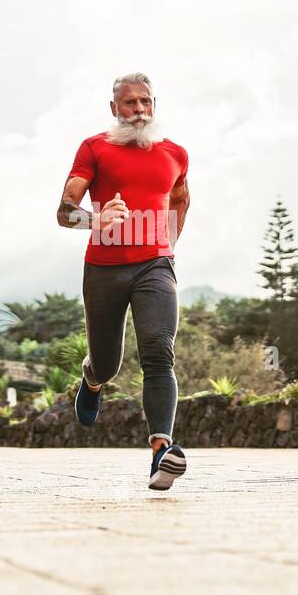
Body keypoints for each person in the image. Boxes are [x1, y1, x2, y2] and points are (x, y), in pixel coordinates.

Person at [56, 72, 192, 489]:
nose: (139, 111)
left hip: (155, 265)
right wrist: (96, 219)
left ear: (155, 105)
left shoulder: (175, 153)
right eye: (130, 103)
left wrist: (167, 244)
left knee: (157, 350)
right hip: (104, 269)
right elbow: (64, 211)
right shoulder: (94, 148)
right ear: (114, 108)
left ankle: (161, 451)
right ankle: (92, 379)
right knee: (108, 362)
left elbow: (181, 197)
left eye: (146, 102)